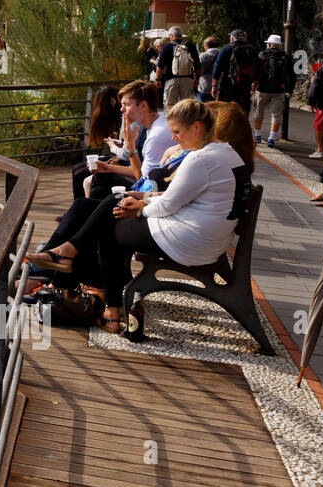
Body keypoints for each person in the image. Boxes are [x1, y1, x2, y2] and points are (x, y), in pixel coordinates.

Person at [28, 99, 248, 333]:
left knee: (112, 219)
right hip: (208, 237)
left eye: (177, 132)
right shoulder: (225, 153)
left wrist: (139, 208)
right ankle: (69, 261)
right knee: (104, 207)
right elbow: (175, 198)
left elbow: (169, 204)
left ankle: (88, 286)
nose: (174, 139)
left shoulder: (200, 159)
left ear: (196, 127)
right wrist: (141, 202)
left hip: (190, 241)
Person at [89, 80, 175, 198]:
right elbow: (144, 172)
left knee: (98, 182)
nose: (121, 109)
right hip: (153, 185)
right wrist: (108, 168)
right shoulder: (159, 119)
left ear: (143, 106)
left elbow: (142, 180)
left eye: (127, 105)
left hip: (153, 193)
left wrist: (130, 147)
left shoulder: (155, 137)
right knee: (93, 192)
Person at [71, 85, 122, 199]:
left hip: (121, 158)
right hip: (117, 154)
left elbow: (128, 149)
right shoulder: (117, 114)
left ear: (112, 101)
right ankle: (77, 206)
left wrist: (114, 144)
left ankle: (81, 207)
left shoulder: (122, 114)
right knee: (76, 169)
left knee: (80, 174)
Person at [252, 34, 294, 147]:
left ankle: (257, 135)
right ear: (279, 45)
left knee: (258, 113)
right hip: (279, 90)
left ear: (269, 44)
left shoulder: (262, 55)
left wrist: (253, 84)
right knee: (276, 115)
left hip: (262, 89)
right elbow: (291, 74)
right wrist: (289, 89)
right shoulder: (285, 57)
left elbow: (256, 71)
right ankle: (271, 137)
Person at [212, 29, 257, 115]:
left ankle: (226, 127)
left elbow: (217, 68)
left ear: (232, 39)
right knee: (243, 111)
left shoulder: (226, 49)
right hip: (245, 86)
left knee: (225, 110)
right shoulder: (252, 50)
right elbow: (257, 67)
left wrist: (214, 86)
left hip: (227, 85)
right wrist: (255, 83)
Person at [156, 26, 200, 108]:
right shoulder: (191, 46)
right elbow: (197, 65)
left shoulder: (167, 47)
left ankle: (171, 120)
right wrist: (197, 79)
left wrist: (158, 79)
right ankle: (185, 120)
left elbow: (160, 66)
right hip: (188, 79)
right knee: (186, 105)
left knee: (170, 105)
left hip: (171, 79)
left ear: (171, 36)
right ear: (181, 35)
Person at [196, 37, 219, 102]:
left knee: (202, 107)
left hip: (204, 85)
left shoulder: (203, 56)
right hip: (217, 84)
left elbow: (200, 71)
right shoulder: (221, 54)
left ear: (206, 46)